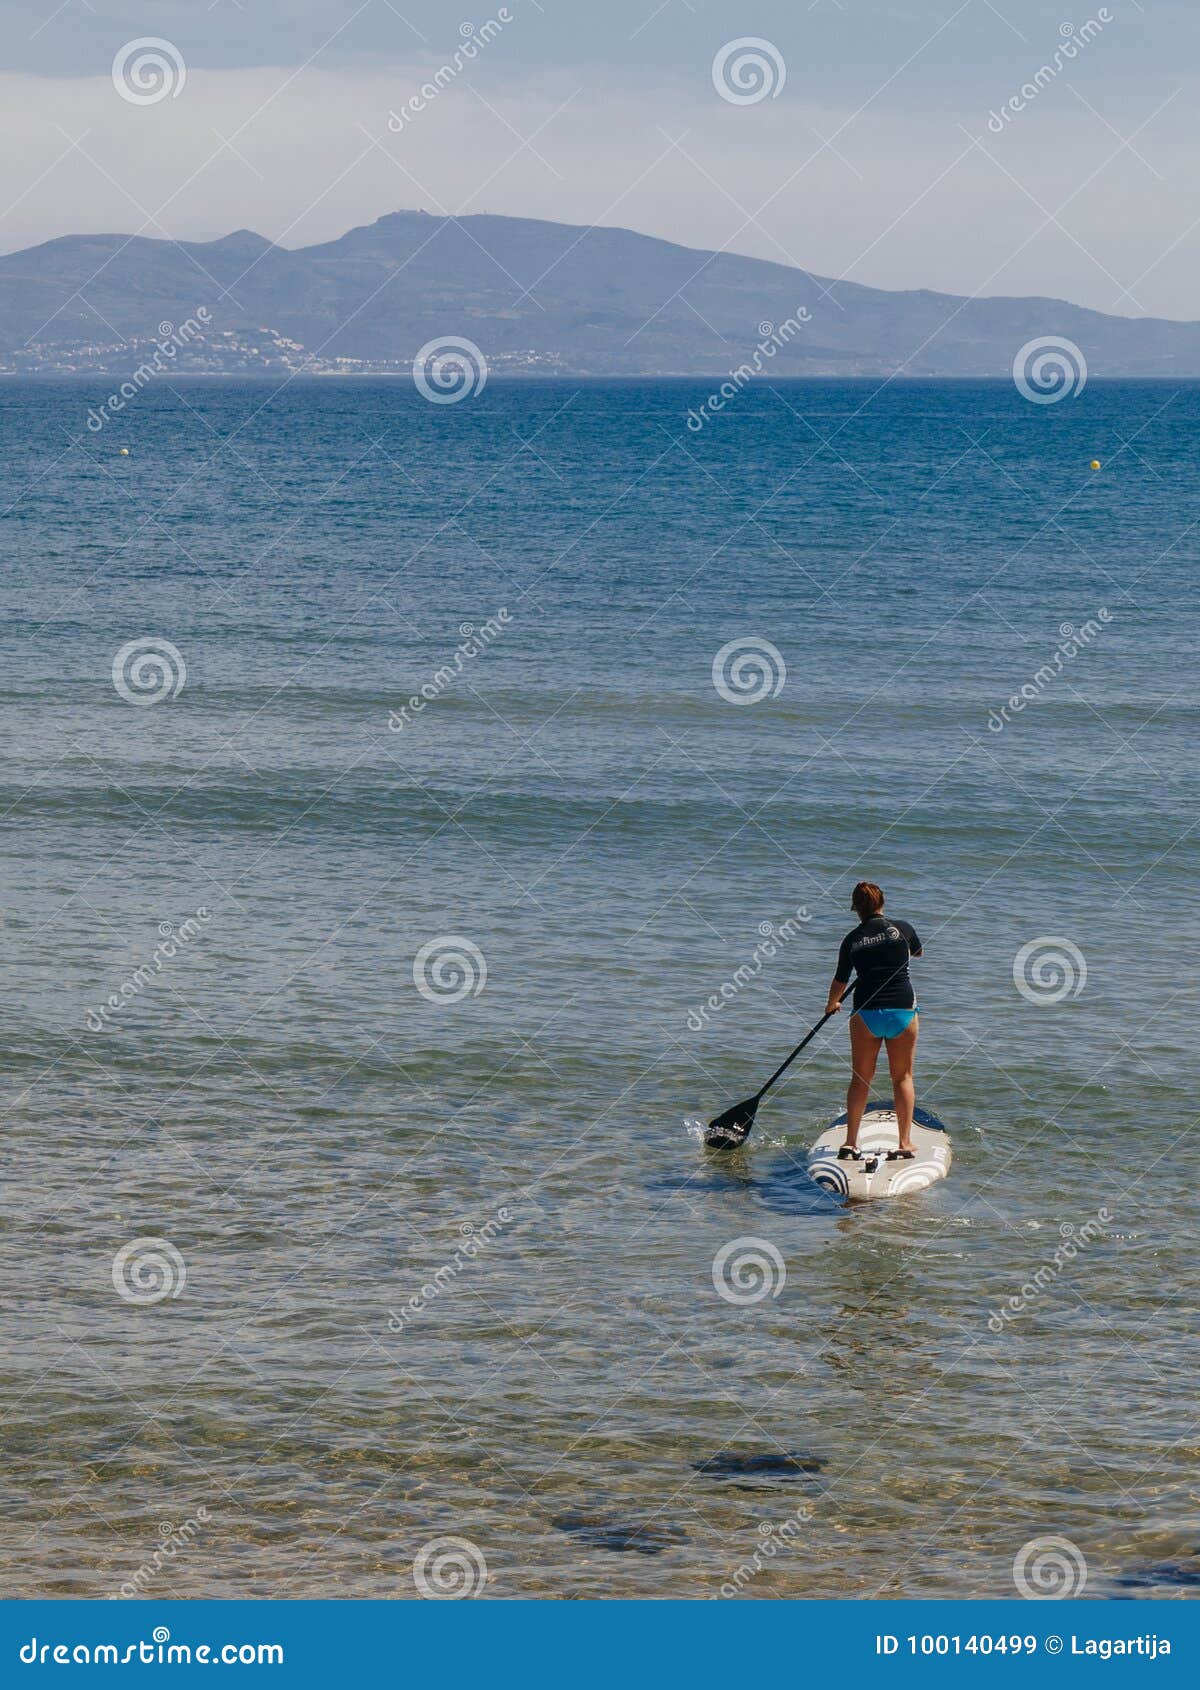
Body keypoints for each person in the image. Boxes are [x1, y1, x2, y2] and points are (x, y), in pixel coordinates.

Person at [824, 881, 923, 1161]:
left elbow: (841, 979)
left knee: (860, 1079)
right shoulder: (903, 928)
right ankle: (904, 1143)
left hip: (866, 1013)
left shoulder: (852, 939)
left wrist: (832, 1004)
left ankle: (850, 1143)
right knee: (902, 1077)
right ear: (883, 903)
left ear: (856, 909)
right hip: (902, 1012)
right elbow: (918, 953)